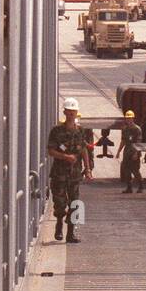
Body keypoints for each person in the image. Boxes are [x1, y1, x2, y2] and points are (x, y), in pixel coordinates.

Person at [47, 97, 93, 243]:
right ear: (64, 112)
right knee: (60, 203)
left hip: (75, 174)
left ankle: (71, 232)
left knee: (75, 203)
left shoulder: (81, 131)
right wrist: (65, 157)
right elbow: (51, 151)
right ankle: (59, 223)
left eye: (73, 112)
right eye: (69, 112)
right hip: (59, 174)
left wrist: (88, 169)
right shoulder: (56, 131)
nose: (71, 114)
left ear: (76, 113)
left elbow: (84, 150)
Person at [116, 110, 144, 193]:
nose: (128, 120)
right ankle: (129, 188)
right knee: (126, 169)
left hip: (134, 151)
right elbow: (123, 141)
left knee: (135, 170)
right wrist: (118, 152)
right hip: (127, 151)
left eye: (130, 118)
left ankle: (141, 186)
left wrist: (136, 153)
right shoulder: (125, 129)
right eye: (127, 118)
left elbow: (138, 142)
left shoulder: (137, 129)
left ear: (133, 118)